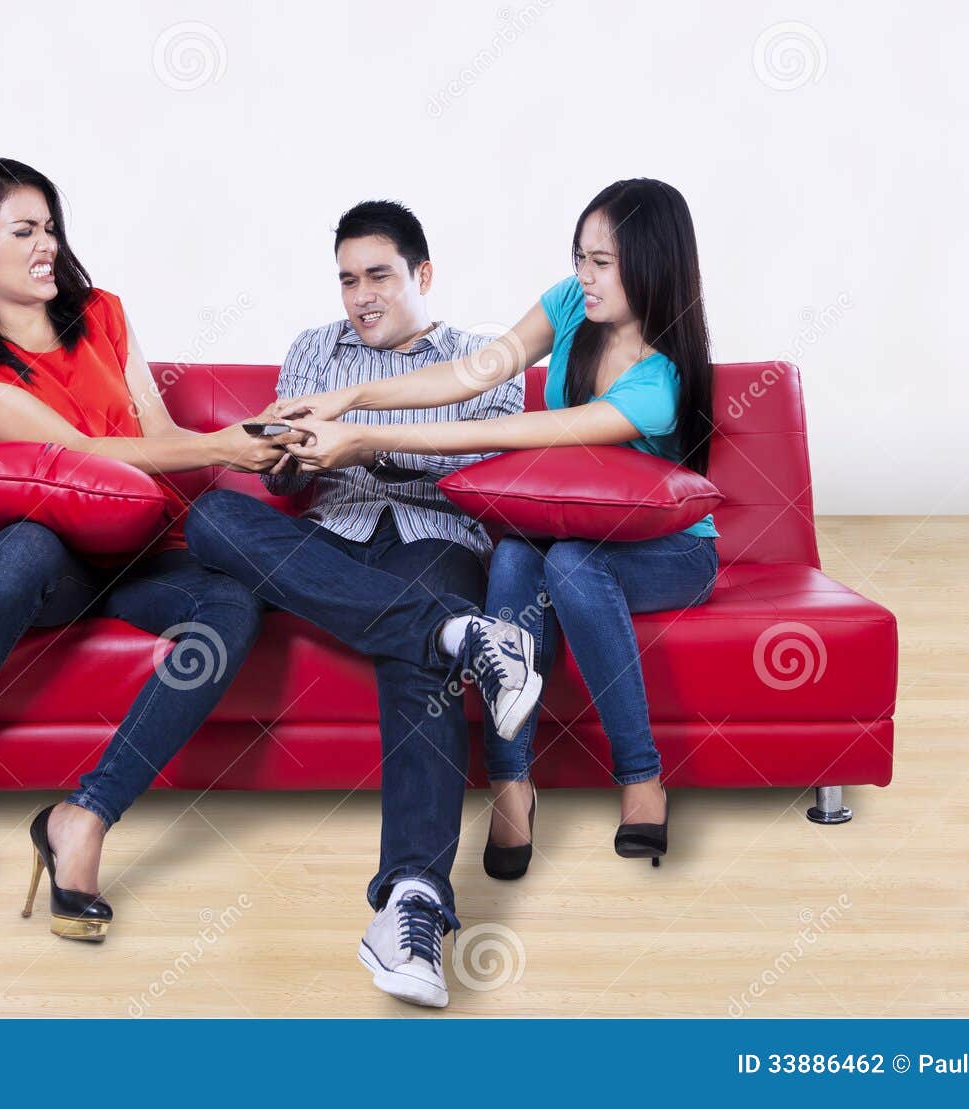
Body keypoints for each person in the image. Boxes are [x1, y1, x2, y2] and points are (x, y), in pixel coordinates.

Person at [272, 178, 721, 880]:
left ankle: (641, 776)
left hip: (667, 552)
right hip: (569, 532)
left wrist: (363, 434)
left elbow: (522, 429)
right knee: (512, 557)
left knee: (570, 563)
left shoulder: (659, 383)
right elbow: (474, 373)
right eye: (580, 257)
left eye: (602, 262)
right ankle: (513, 784)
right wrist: (356, 392)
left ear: (654, 263)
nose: (583, 276)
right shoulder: (573, 304)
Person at [0, 158, 290, 942]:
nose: (47, 245)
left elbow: (157, 435)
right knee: (25, 550)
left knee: (234, 604)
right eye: (23, 231)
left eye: (50, 228)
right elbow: (80, 455)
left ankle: (83, 817)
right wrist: (221, 442)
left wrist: (254, 440)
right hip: (56, 568)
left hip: (147, 549)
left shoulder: (102, 313)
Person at [185, 200, 536, 1008]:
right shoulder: (313, 349)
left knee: (421, 639)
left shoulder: (484, 358)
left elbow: (481, 470)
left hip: (436, 538)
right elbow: (281, 474)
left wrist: (365, 440)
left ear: (423, 274)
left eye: (378, 275)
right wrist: (286, 457)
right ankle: (458, 635)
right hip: (330, 538)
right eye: (347, 280)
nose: (361, 296)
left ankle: (413, 897)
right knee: (211, 517)